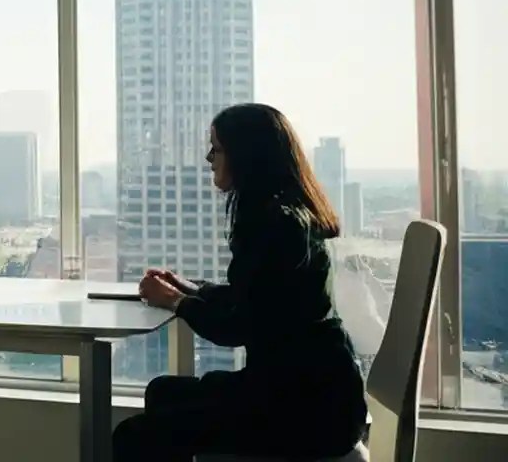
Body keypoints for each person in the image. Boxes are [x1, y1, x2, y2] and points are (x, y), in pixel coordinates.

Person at [112, 103, 367, 461]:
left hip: (305, 411)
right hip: (318, 395)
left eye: (216, 148)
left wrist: (175, 302)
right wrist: (192, 288)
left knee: (134, 436)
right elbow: (260, 298)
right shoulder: (287, 215)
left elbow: (239, 326)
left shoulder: (273, 226)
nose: (208, 158)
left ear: (245, 155)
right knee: (162, 392)